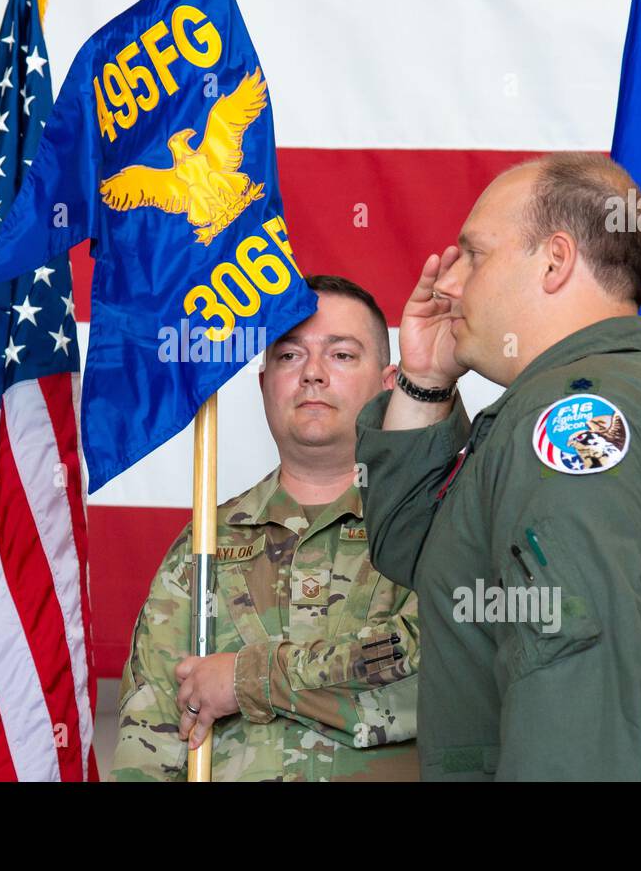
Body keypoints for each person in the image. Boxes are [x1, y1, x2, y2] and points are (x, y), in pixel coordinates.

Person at [355, 152, 641, 781]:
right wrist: (425, 383)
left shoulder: (570, 418)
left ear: (554, 260)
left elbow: (576, 681)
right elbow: (413, 550)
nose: (447, 284)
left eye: (475, 255)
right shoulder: (573, 399)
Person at [112, 276, 420, 781]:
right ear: (263, 384)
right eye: (289, 356)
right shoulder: (205, 544)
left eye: (341, 355)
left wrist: (247, 679)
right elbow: (148, 740)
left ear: (387, 383)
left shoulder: (426, 528)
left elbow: (428, 683)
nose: (313, 375)